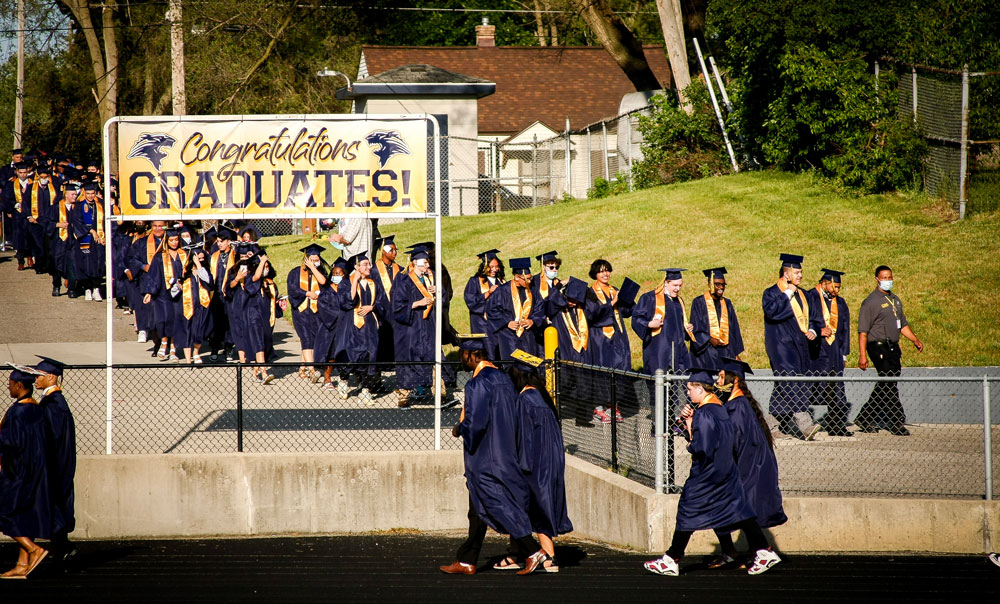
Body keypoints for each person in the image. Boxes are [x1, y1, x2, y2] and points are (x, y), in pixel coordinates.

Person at [643, 367, 781, 577]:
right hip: (725, 471)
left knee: (687, 511)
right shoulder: (719, 408)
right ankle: (762, 550)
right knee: (739, 511)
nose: (687, 393)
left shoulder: (706, 414)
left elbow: (702, 448)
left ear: (700, 388)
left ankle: (672, 559)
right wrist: (689, 423)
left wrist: (690, 431)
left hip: (708, 474)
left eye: (690, 388)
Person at [439, 336, 547, 576]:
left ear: (470, 355)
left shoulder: (477, 384)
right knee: (477, 508)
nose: (462, 361)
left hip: (485, 456)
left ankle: (532, 551)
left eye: (463, 356)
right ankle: (467, 560)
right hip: (506, 451)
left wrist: (459, 429)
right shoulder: (504, 379)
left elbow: (475, 424)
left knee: (496, 503)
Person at [710, 357, 786, 568]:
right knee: (728, 510)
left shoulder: (737, 409)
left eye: (721, 377)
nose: (717, 381)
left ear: (733, 381)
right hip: (749, 467)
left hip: (752, 469)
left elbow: (729, 442)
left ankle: (755, 552)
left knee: (735, 510)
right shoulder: (738, 404)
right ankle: (739, 552)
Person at [506, 355, 573, 573]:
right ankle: (517, 553)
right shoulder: (542, 398)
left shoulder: (526, 401)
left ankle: (549, 557)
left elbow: (524, 439)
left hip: (535, 463)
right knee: (531, 507)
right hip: (551, 461)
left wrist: (519, 467)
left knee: (536, 506)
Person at [855, 265, 923, 436]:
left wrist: (914, 339)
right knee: (888, 380)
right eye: (884, 277)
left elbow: (903, 325)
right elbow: (863, 332)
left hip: (893, 346)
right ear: (877, 279)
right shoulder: (870, 302)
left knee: (888, 382)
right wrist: (862, 355)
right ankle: (896, 420)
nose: (887, 280)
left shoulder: (896, 300)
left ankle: (865, 416)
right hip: (877, 345)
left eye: (889, 277)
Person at [762, 253, 820, 440]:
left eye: (801, 272)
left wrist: (812, 328)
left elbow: (813, 316)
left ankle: (770, 426)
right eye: (797, 272)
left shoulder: (803, 294)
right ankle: (805, 424)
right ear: (786, 275)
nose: (800, 276)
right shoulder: (771, 293)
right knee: (792, 381)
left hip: (800, 345)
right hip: (780, 345)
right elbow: (772, 313)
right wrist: (787, 293)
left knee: (783, 384)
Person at [0, 367, 51, 579]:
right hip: (35, 469)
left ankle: (32, 549)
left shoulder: (18, 412)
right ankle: (22, 564)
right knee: (23, 515)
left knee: (4, 512)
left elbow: (11, 442)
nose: (8, 387)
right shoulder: (36, 408)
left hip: (17, 471)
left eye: (11, 384)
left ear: (19, 386)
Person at [31, 356, 77, 563]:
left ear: (51, 377)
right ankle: (62, 548)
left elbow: (51, 437)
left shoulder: (54, 405)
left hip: (55, 463)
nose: (35, 380)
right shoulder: (52, 402)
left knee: (54, 500)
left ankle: (63, 548)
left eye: (39, 376)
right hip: (54, 463)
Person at [631, 268, 694, 413]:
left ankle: (674, 423)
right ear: (666, 283)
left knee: (679, 385)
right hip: (658, 352)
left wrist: (687, 328)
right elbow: (636, 319)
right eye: (675, 285)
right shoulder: (650, 298)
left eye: (680, 285)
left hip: (677, 351)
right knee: (658, 388)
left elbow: (677, 328)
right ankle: (657, 424)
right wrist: (648, 324)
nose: (678, 289)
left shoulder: (678, 302)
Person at [585, 259, 635, 423]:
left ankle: (613, 405)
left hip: (618, 336)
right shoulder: (590, 293)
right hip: (600, 338)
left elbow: (627, 312)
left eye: (607, 270)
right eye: (601, 271)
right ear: (595, 274)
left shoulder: (615, 289)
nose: (605, 274)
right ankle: (599, 408)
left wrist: (627, 298)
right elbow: (591, 315)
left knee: (620, 367)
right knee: (602, 370)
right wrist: (611, 303)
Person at [806, 269, 853, 436]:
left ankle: (836, 425)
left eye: (839, 287)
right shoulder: (809, 297)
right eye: (835, 286)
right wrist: (819, 330)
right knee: (812, 387)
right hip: (815, 352)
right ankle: (804, 425)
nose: (837, 291)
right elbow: (805, 321)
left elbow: (845, 329)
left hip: (834, 351)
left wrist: (844, 353)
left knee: (837, 389)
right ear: (824, 283)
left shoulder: (840, 303)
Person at [335, 251, 386, 402]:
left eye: (369, 264)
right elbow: (348, 302)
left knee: (370, 355)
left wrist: (372, 307)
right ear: (356, 268)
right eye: (365, 264)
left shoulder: (373, 283)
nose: (369, 267)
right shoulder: (345, 283)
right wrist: (354, 281)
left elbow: (382, 302)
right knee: (349, 354)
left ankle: (365, 390)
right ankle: (343, 381)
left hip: (369, 326)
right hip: (350, 325)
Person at [392, 246, 440, 407]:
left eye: (428, 262)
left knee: (430, 353)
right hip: (410, 326)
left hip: (427, 324)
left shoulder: (430, 278)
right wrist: (416, 303)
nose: (428, 265)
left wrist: (438, 292)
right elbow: (397, 305)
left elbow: (443, 298)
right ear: (415, 262)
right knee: (408, 356)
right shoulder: (403, 279)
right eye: (425, 262)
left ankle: (436, 391)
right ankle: (404, 393)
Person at [227, 243, 275, 384]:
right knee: (258, 343)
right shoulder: (249, 277)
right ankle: (264, 372)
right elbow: (256, 276)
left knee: (263, 343)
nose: (264, 268)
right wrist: (262, 261)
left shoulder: (265, 282)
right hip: (252, 315)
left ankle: (255, 374)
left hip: (262, 316)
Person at [689, 267, 745, 368]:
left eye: (723, 284)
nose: (721, 287)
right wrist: (710, 339)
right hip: (706, 352)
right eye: (717, 284)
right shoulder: (699, 302)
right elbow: (696, 328)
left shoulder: (727, 303)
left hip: (725, 352)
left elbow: (734, 329)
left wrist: (735, 353)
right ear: (709, 284)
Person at [287, 243, 328, 381]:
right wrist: (307, 293)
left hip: (316, 311)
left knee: (313, 339)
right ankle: (312, 370)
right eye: (312, 259)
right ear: (306, 258)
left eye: (317, 260)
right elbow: (292, 290)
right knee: (306, 338)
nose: (315, 262)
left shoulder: (321, 272)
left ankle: (302, 368)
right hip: (301, 310)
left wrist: (313, 268)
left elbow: (323, 283)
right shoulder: (295, 272)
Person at [142, 228, 185, 361]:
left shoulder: (183, 255)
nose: (174, 242)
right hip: (162, 294)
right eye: (171, 240)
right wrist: (149, 292)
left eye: (176, 240)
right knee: (163, 320)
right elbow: (153, 276)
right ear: (166, 241)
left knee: (176, 320)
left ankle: (173, 348)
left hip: (179, 294)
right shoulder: (160, 256)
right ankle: (164, 342)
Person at [487, 257, 540, 362]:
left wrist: (533, 320)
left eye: (530, 278)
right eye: (526, 279)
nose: (529, 281)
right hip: (509, 336)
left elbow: (540, 308)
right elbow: (492, 311)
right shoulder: (502, 291)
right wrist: (507, 322)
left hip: (528, 336)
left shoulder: (533, 290)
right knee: (513, 367)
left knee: (530, 366)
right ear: (516, 277)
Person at [174, 240, 215, 365]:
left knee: (199, 331)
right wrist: (177, 286)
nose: (201, 260)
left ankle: (196, 353)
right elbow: (173, 292)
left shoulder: (205, 272)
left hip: (202, 307)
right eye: (198, 258)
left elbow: (209, 283)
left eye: (203, 258)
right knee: (187, 331)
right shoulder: (184, 274)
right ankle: (187, 360)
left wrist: (199, 265)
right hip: (186, 307)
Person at [126, 220, 166, 342]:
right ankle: (143, 330)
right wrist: (143, 266)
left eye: (161, 226)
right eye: (155, 226)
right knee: (143, 306)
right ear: (151, 227)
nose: (158, 229)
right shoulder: (141, 243)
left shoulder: (170, 242)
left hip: (165, 279)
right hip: (145, 278)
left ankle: (161, 334)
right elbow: (131, 258)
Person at [315, 258, 350, 391]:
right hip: (329, 328)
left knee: (343, 354)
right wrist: (341, 315)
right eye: (334, 273)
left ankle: (344, 379)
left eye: (339, 273)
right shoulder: (326, 291)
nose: (336, 276)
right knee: (329, 355)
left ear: (344, 275)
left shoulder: (347, 289)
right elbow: (324, 308)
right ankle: (327, 378)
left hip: (344, 327)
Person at [464, 249, 504, 361]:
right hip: (483, 325)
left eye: (497, 266)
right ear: (485, 266)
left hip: (499, 326)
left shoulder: (501, 282)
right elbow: (471, 301)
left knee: (500, 355)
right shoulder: (475, 281)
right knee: (488, 355)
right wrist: (488, 293)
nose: (494, 269)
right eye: (491, 266)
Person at [69, 182, 106, 301]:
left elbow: (106, 222)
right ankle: (87, 289)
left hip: (98, 240)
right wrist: (91, 231)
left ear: (95, 193)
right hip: (85, 239)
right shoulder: (79, 206)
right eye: (88, 193)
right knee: (85, 263)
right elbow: (77, 222)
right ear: (84, 193)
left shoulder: (100, 205)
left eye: (92, 193)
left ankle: (96, 288)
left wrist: (104, 235)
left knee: (98, 263)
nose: (90, 196)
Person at [20, 161, 58, 275]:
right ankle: (39, 266)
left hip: (49, 221)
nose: (44, 179)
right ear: (38, 177)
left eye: (46, 177)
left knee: (49, 245)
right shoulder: (31, 188)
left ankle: (49, 265)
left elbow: (57, 204)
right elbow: (25, 203)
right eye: (42, 177)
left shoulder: (54, 188)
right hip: (36, 221)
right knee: (38, 244)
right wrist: (29, 216)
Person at [43, 177, 78, 298]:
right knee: (57, 265)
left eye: (75, 194)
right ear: (66, 195)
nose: (75, 196)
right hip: (58, 242)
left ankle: (72, 289)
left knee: (73, 265)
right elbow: (46, 223)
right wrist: (58, 224)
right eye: (72, 194)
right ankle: (56, 286)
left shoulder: (77, 208)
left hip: (73, 242)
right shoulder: (55, 208)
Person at [371, 235, 403, 366]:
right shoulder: (374, 270)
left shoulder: (400, 270)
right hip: (381, 309)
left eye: (396, 250)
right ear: (383, 251)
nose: (394, 252)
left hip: (397, 310)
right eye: (391, 250)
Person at [208, 225, 238, 361]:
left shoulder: (235, 256)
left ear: (229, 242)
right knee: (216, 323)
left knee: (229, 323)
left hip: (230, 296)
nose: (219, 244)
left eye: (222, 241)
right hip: (216, 295)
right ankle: (214, 348)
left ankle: (228, 348)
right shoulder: (214, 256)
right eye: (218, 241)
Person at [530, 251, 563, 350]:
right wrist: (542, 318)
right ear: (543, 267)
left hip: (557, 323)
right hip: (539, 325)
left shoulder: (558, 282)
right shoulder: (534, 282)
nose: (554, 270)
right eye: (551, 267)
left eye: (556, 268)